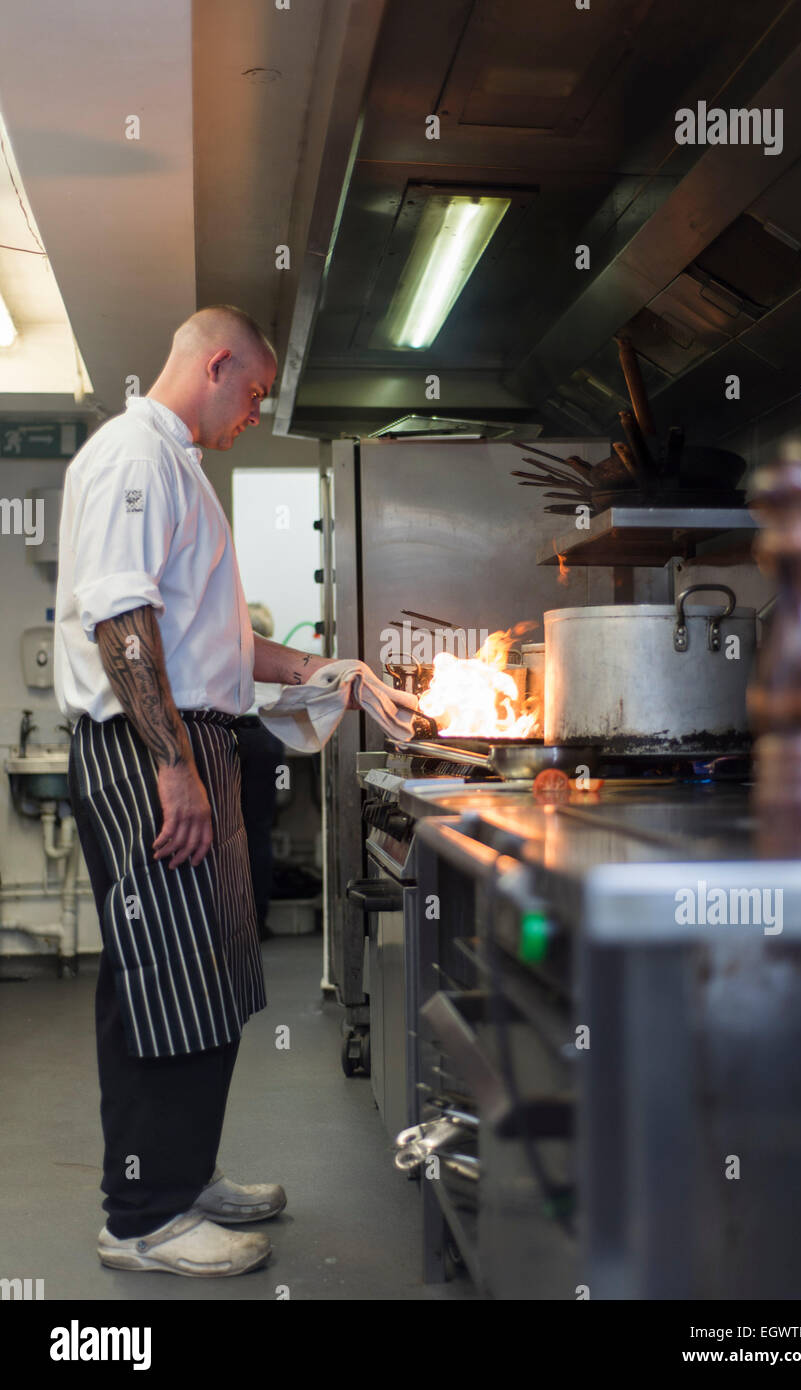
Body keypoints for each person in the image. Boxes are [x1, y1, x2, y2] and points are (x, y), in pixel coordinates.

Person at [54, 305, 333, 1278]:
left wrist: (314, 666)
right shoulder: (135, 457)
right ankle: (140, 1218)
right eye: (254, 392)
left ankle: (182, 1174)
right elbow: (123, 624)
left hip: (197, 739)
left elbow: (212, 639)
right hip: (150, 746)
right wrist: (173, 763)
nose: (256, 412)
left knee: (207, 976)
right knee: (158, 979)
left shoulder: (180, 468)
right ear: (216, 364)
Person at [236, 603, 289, 941]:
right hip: (266, 741)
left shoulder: (232, 655)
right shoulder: (276, 661)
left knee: (224, 832)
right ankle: (257, 922)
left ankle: (227, 923)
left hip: (230, 736)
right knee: (258, 832)